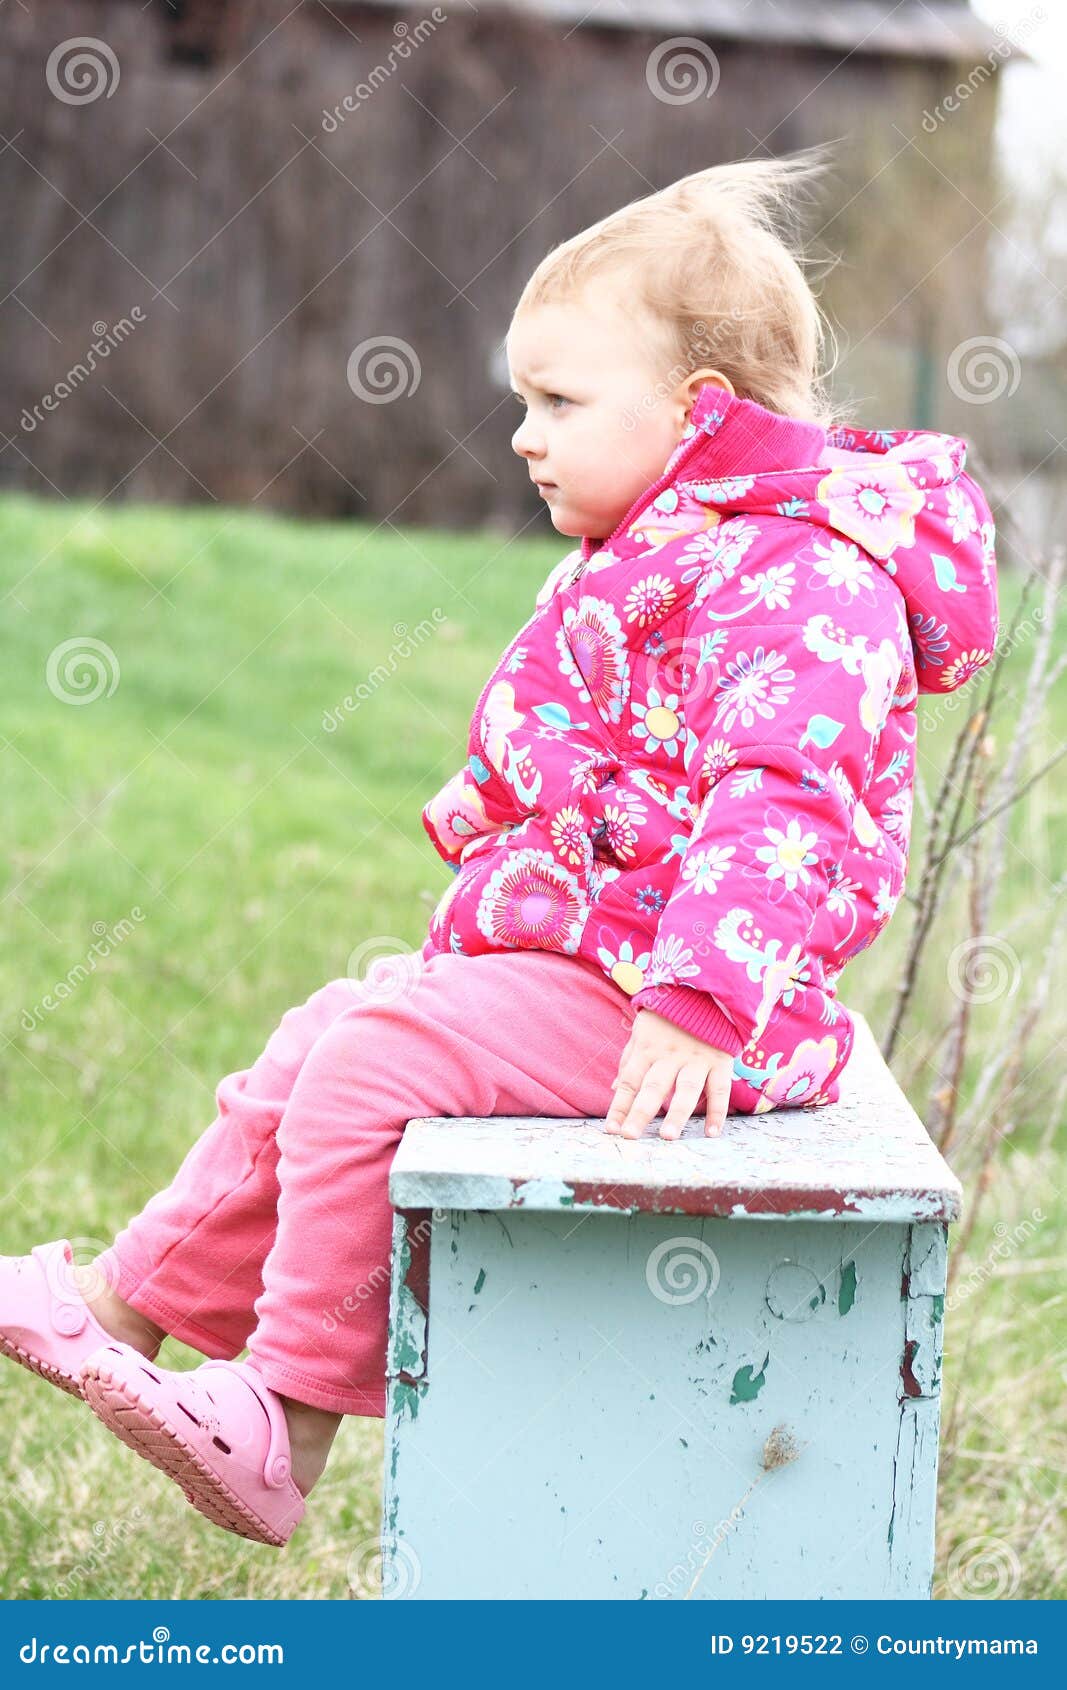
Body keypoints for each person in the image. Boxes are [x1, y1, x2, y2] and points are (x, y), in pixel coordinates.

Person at [0, 150, 999, 1550]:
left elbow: (787, 802)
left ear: (696, 414)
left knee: (370, 1061)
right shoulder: (672, 541)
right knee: (328, 1027)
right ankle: (120, 1301)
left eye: (559, 402)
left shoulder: (798, 577)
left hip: (694, 1006)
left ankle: (286, 1418)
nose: (526, 434)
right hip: (611, 956)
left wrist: (702, 1003)